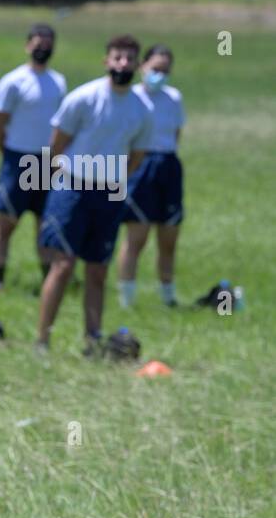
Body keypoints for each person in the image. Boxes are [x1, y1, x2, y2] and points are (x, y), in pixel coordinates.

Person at [36, 34, 153, 351]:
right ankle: (42, 339)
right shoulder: (84, 97)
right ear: (106, 61)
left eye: (130, 58)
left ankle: (93, 339)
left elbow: (137, 155)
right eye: (118, 57)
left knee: (98, 269)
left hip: (109, 191)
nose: (123, 63)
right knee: (62, 265)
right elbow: (57, 144)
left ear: (138, 64)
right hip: (72, 186)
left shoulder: (142, 109)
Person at [0, 23, 66, 290]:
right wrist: (7, 153)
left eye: (47, 44)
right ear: (27, 45)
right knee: (6, 221)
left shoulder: (58, 81)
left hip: (46, 159)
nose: (42, 48)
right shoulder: (13, 82)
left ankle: (47, 278)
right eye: (37, 42)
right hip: (18, 158)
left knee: (45, 222)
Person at [117, 44, 185, 308]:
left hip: (167, 165)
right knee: (137, 237)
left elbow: (176, 134)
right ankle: (126, 299)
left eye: (165, 70)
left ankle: (168, 297)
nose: (160, 75)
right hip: (139, 166)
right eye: (155, 69)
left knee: (168, 238)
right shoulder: (131, 97)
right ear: (142, 67)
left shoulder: (174, 98)